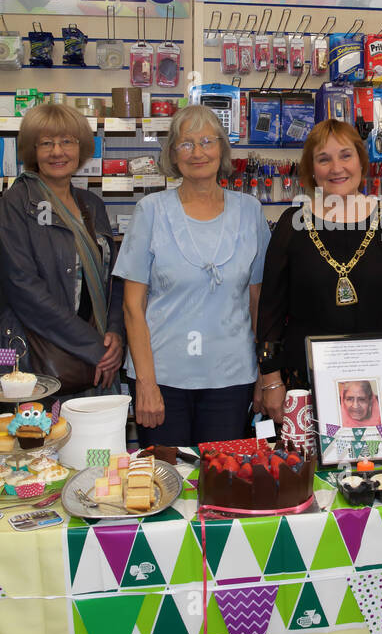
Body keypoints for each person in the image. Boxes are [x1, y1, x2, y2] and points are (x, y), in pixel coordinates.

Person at [257, 120, 382, 423]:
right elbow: (270, 311)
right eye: (324, 159)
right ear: (312, 169)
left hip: (381, 383)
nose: (336, 167)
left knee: (379, 468)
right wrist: (271, 379)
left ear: (361, 162)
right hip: (305, 382)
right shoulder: (292, 224)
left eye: (345, 155)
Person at [114, 105, 269, 445]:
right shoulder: (150, 212)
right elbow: (132, 307)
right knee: (164, 482)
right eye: (186, 144)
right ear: (172, 154)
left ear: (222, 149)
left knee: (221, 483)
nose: (197, 152)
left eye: (207, 141)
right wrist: (146, 383)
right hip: (164, 378)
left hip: (230, 378)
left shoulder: (250, 212)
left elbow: (258, 300)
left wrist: (263, 372)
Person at [0, 104, 124, 395]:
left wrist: (114, 334)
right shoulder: (16, 203)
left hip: (94, 358)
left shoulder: (92, 204)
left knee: (93, 439)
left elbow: (113, 278)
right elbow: (22, 288)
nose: (57, 152)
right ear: (31, 150)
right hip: (29, 358)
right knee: (33, 438)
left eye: (66, 141)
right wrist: (93, 345)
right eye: (46, 143)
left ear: (81, 147)